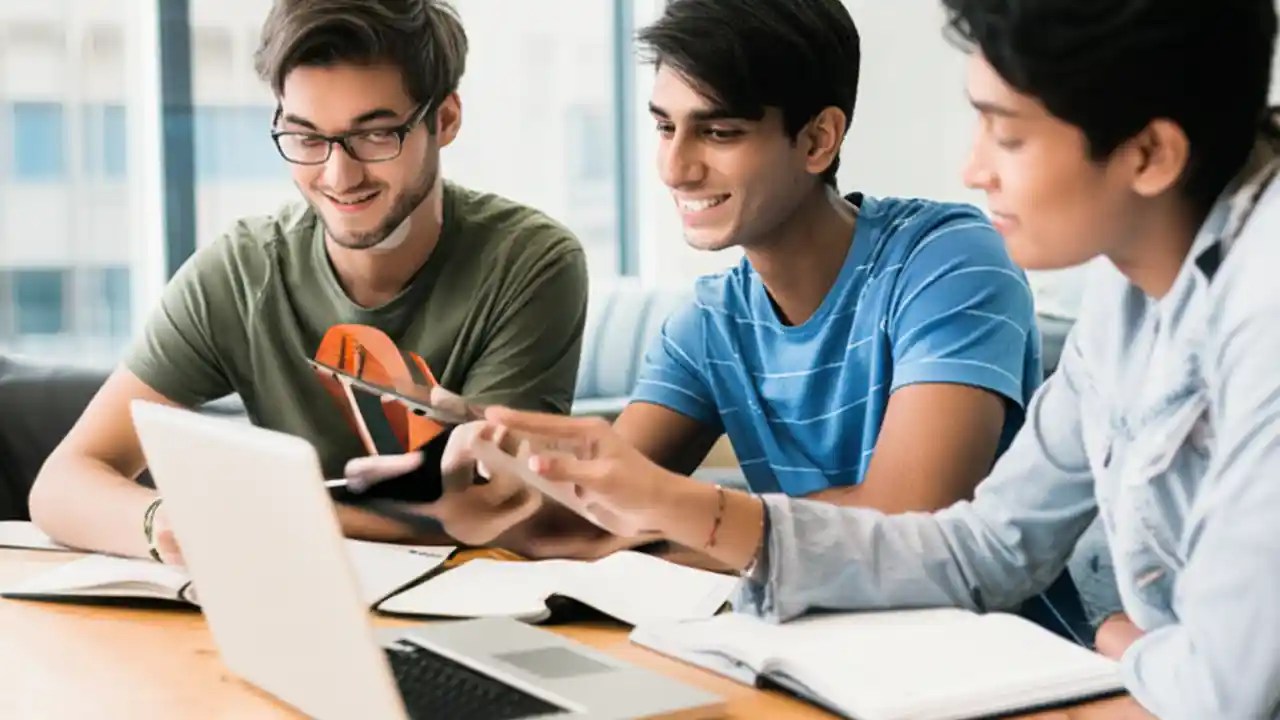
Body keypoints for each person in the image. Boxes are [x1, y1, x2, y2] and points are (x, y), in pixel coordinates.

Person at [481, 0, 1280, 716]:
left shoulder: (1264, 309)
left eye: (1006, 134)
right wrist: (648, 503)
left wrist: (1132, 653)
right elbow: (985, 547)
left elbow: (1220, 691)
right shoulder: (1126, 296)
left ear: (1149, 155)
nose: (974, 168)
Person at [345, 0, 1042, 560]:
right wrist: (499, 469)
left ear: (818, 140)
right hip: (803, 646)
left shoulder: (948, 260)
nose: (675, 169)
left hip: (995, 666)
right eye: (664, 127)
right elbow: (601, 501)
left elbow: (907, 517)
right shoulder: (709, 323)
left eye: (718, 133)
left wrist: (647, 518)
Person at [28, 0, 589, 565]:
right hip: (289, 591)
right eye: (305, 137)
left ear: (443, 120)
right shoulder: (243, 270)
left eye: (375, 136)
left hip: (457, 609)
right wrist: (162, 523)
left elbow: (490, 511)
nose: (338, 176)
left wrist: (248, 518)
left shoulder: (530, 262)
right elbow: (63, 484)